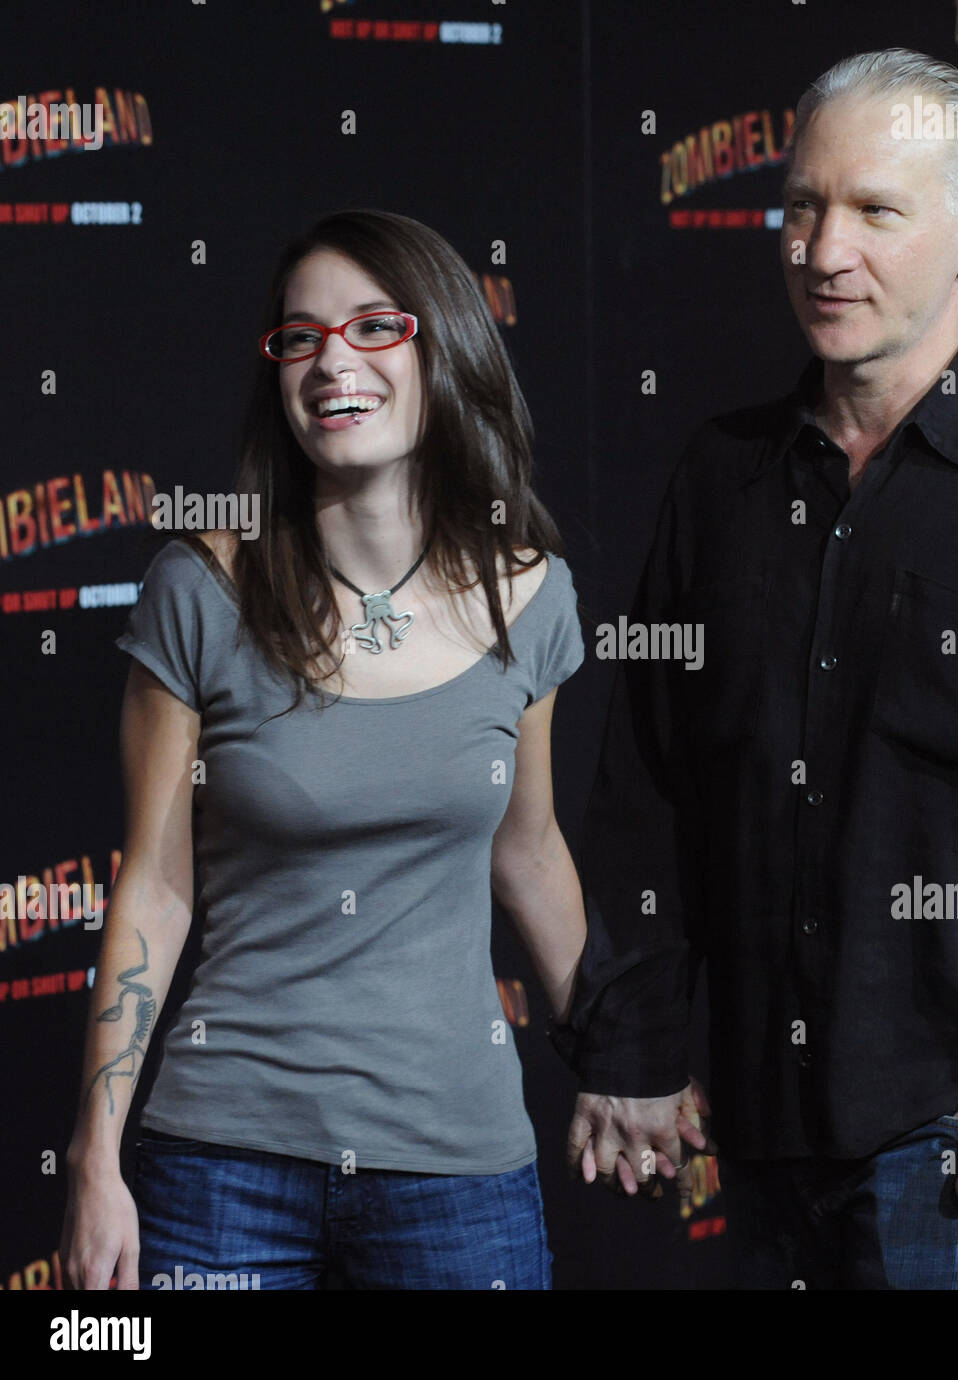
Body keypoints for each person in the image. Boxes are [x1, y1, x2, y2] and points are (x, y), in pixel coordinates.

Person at [556, 48, 958, 1288]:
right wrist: (631, 1041)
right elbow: (646, 802)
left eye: (873, 210)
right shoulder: (721, 478)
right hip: (757, 1143)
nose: (820, 250)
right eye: (800, 205)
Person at [60, 209, 587, 1290]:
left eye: (371, 327)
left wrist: (624, 1064)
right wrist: (94, 1161)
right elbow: (155, 888)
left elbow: (528, 853)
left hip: (456, 1169)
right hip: (221, 1165)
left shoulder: (528, 595)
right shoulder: (199, 590)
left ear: (443, 347)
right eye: (299, 337)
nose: (330, 361)